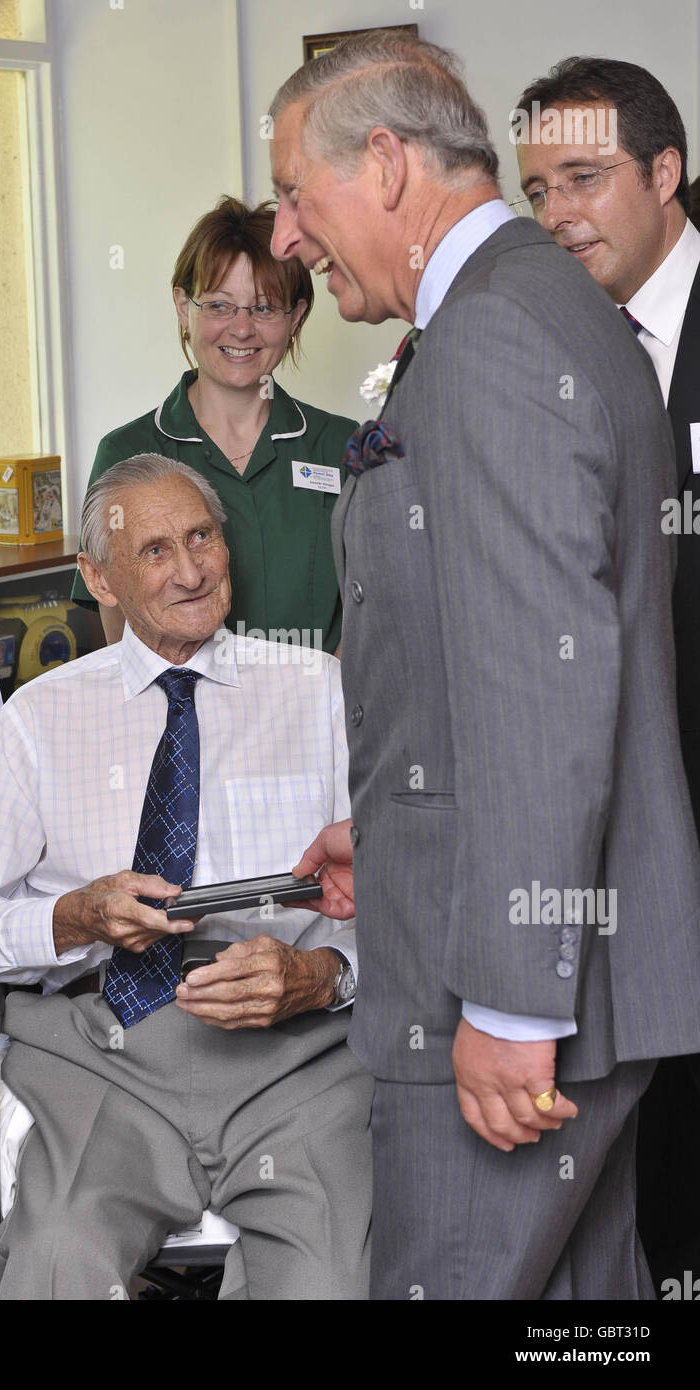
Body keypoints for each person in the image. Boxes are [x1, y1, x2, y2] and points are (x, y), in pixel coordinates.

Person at [270, 29, 700, 1300]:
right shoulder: (532, 303)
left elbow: (547, 685)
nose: (287, 235)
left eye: (300, 193)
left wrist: (514, 1005)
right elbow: (493, 658)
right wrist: (396, 826)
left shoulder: (496, 336)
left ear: (388, 164)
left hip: (517, 983)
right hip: (547, 946)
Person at [0, 453, 371, 1301]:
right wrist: (72, 919)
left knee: (329, 1280)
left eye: (202, 537)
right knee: (55, 1261)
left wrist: (322, 974)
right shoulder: (38, 721)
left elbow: (408, 906)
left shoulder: (320, 693)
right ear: (100, 578)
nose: (192, 570)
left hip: (296, 1061)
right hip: (102, 1062)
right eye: (156, 550)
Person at [513, 55, 700, 1293]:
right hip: (620, 834)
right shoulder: (538, 341)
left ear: (666, 173)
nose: (558, 213)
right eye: (535, 188)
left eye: (584, 177)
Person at [70, 196, 358, 654]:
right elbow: (120, 637)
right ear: (185, 308)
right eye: (220, 306)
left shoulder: (343, 446)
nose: (242, 330)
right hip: (183, 719)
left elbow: (375, 610)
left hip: (314, 715)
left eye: (264, 309)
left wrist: (321, 705)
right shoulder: (126, 453)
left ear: (296, 317)